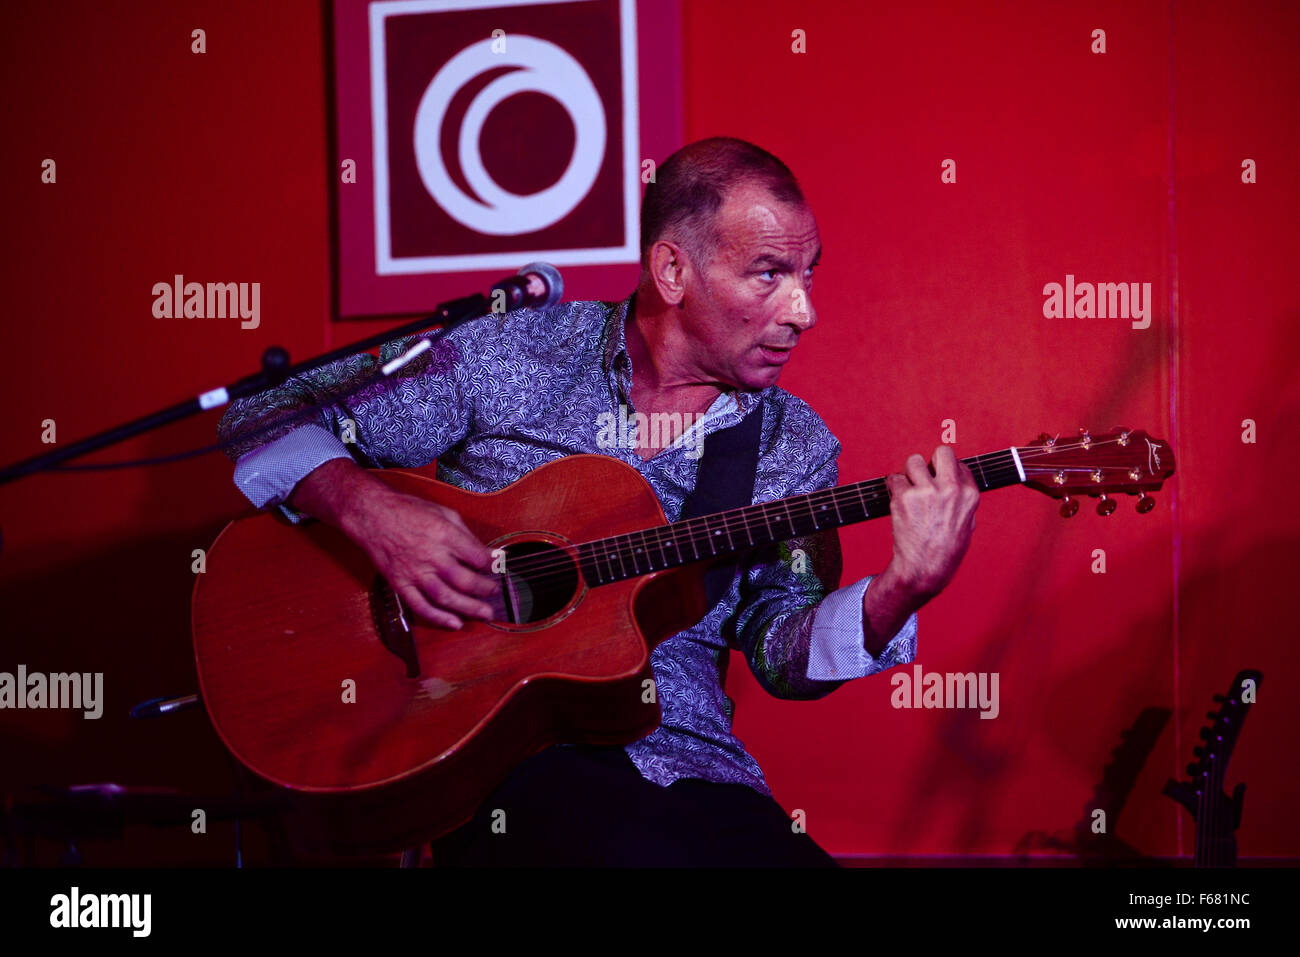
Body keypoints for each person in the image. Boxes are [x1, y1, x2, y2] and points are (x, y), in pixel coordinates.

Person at [217, 137, 979, 866]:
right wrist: (372, 512)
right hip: (497, 751)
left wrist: (899, 589)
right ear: (673, 270)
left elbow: (781, 653)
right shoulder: (514, 351)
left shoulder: (792, 447)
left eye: (809, 275)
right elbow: (262, 416)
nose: (801, 311)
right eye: (770, 274)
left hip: (694, 771)